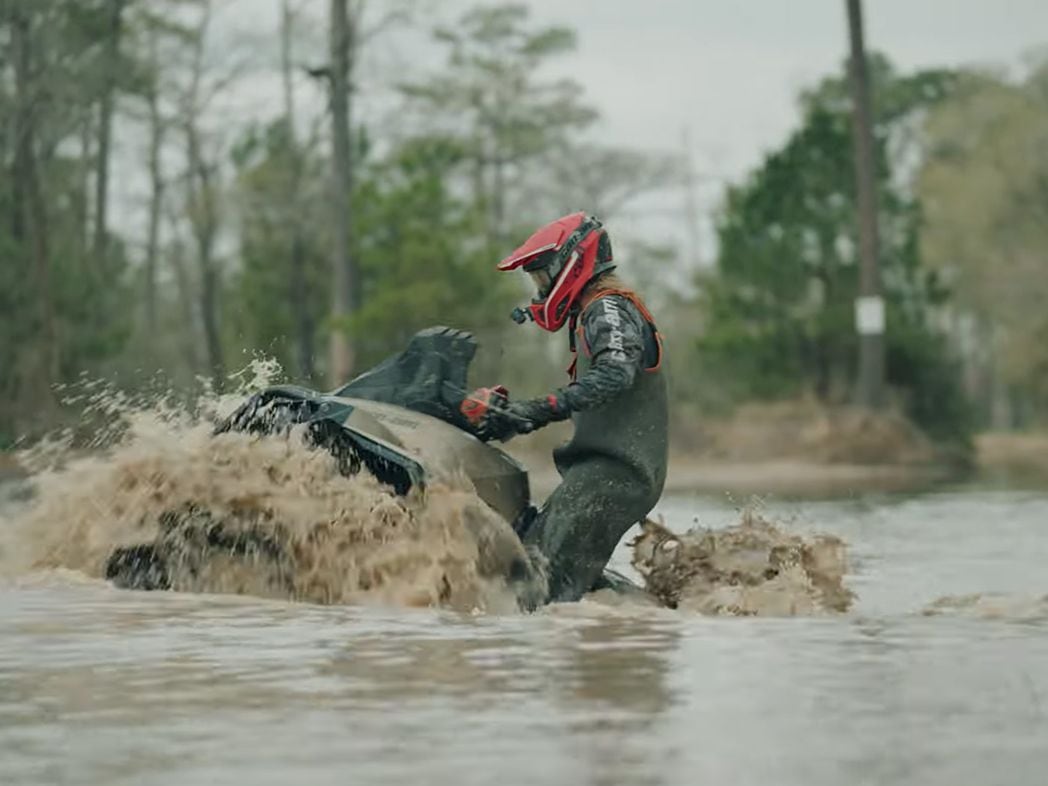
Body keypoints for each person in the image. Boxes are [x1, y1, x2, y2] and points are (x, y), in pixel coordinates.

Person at [461, 212, 669, 602]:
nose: (539, 288)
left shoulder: (608, 308)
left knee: (535, 591)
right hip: (603, 474)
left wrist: (538, 409)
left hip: (615, 473)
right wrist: (518, 416)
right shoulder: (597, 310)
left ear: (570, 265)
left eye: (541, 275)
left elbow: (614, 375)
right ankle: (654, 615)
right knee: (542, 565)